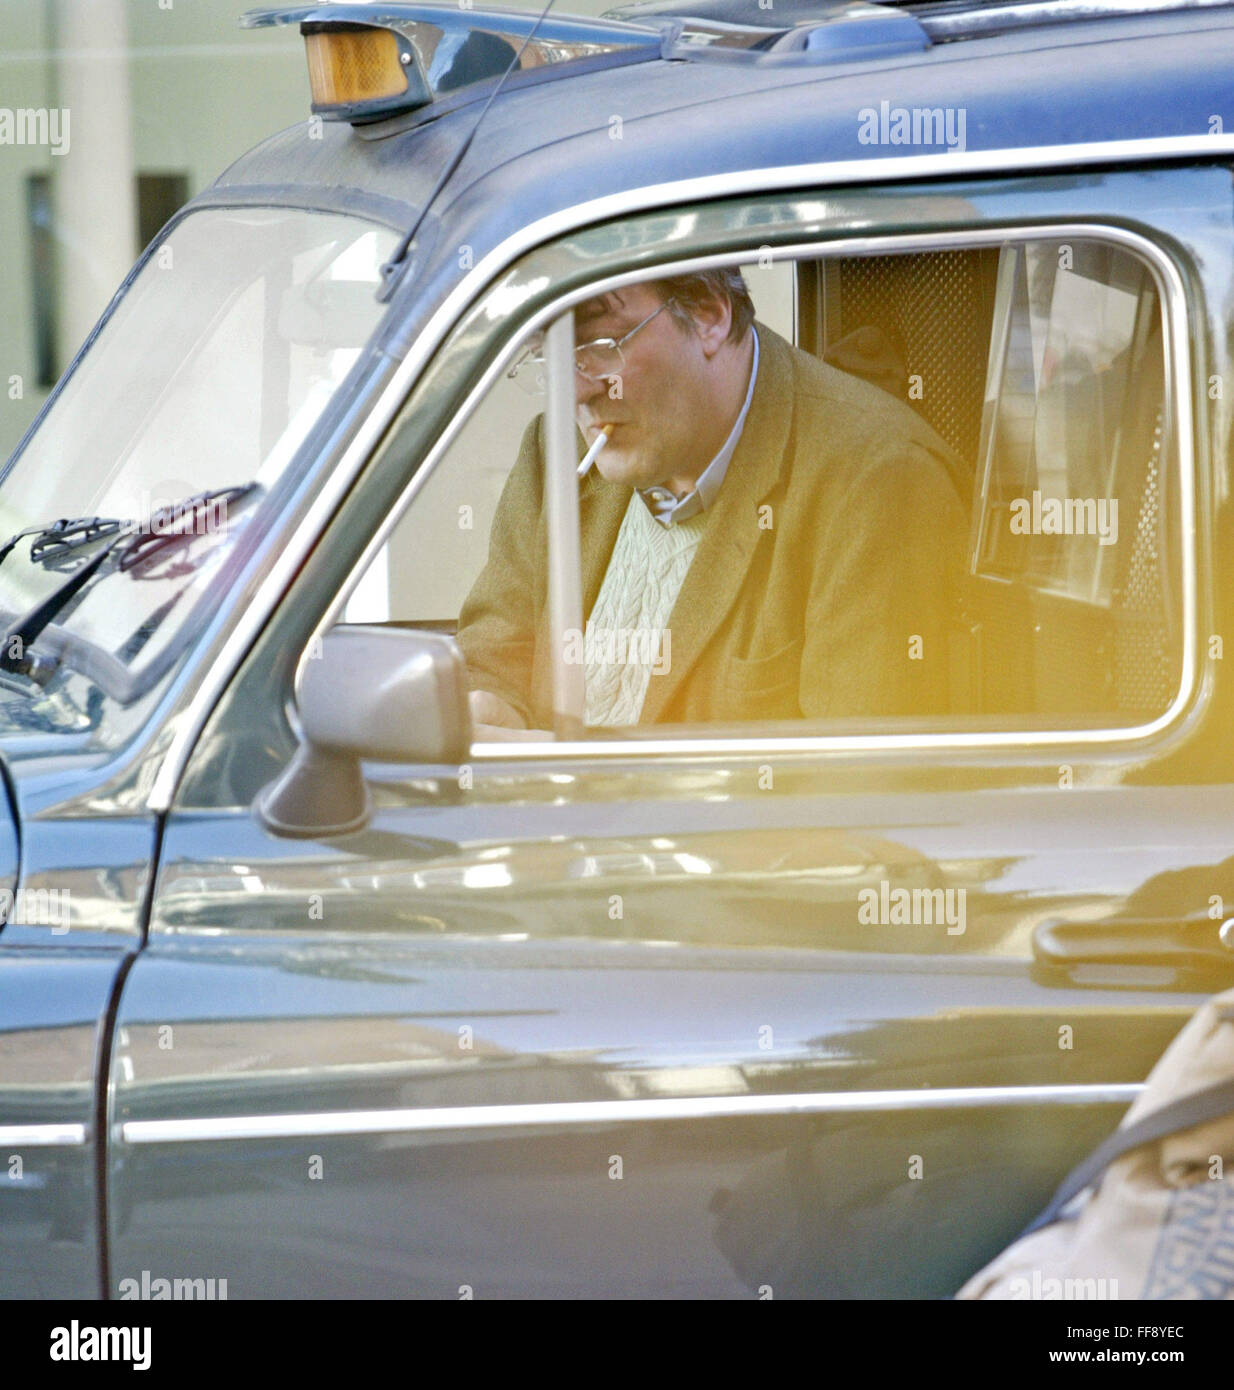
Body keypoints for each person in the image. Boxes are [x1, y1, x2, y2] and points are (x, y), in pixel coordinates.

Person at [457, 269, 969, 737]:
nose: (575, 393)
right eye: (549, 354)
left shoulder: (877, 481)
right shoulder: (557, 452)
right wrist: (496, 705)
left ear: (708, 314)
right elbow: (494, 651)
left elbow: (853, 798)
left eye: (599, 342)